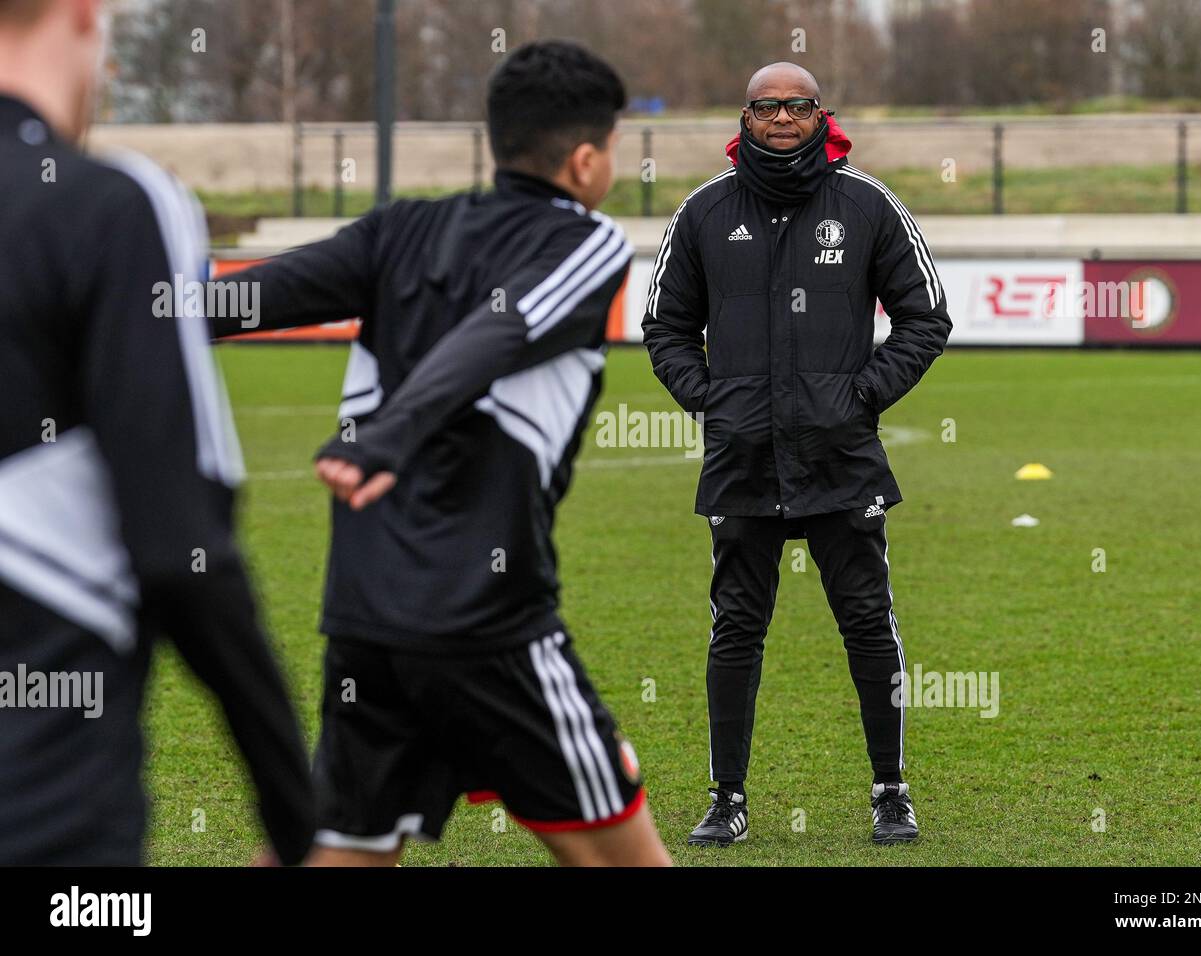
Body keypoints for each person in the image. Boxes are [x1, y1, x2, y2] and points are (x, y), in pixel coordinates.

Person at [211, 40, 671, 867]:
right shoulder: (590, 242)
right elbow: (500, 331)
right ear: (585, 159)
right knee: (622, 857)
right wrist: (388, 435)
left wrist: (113, 301)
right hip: (487, 622)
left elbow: (243, 297)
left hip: (368, 618)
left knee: (340, 851)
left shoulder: (399, 228)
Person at [0, 0, 314, 865]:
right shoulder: (114, 206)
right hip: (49, 814)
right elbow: (183, 553)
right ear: (84, 15)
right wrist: (299, 815)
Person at [642, 61, 952, 846]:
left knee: (867, 624)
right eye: (767, 105)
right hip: (742, 459)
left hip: (841, 457)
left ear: (822, 114)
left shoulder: (867, 204)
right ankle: (728, 798)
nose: (783, 116)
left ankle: (891, 791)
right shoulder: (705, 212)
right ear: (743, 117)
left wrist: (863, 394)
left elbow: (927, 316)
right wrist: (709, 398)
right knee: (735, 629)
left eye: (798, 105)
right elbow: (664, 324)